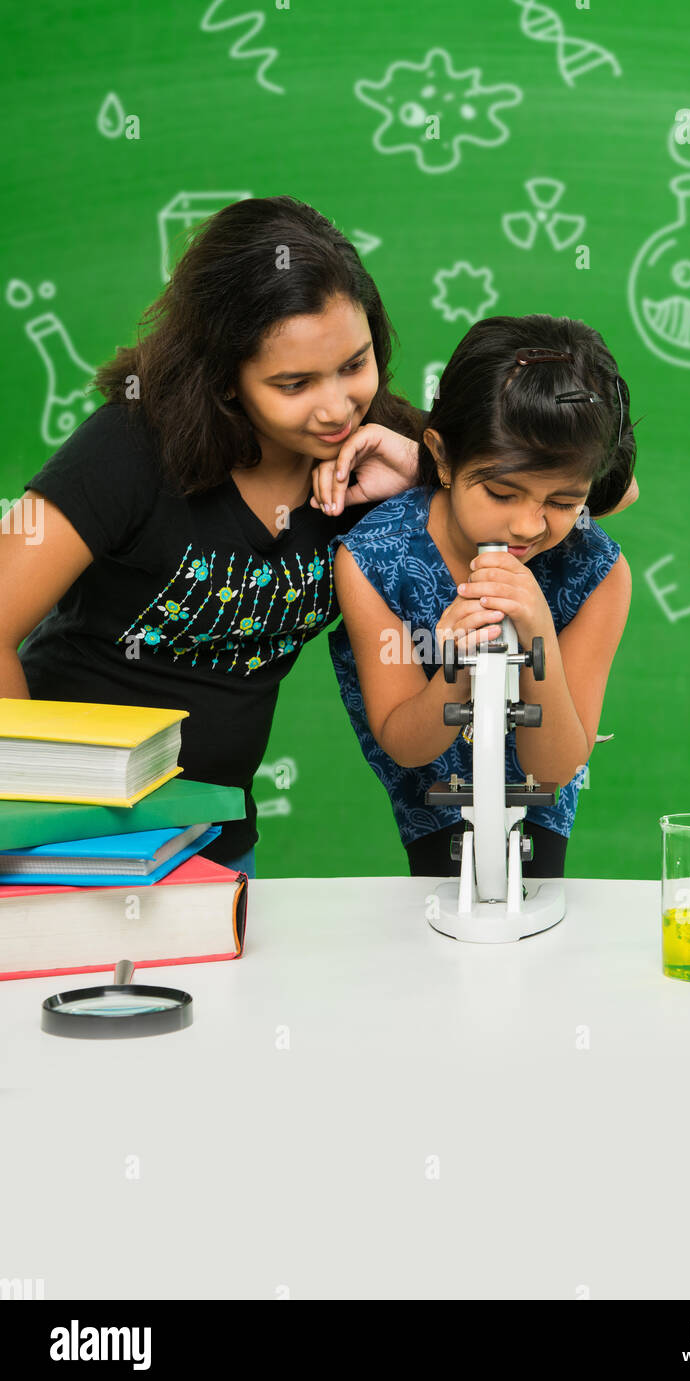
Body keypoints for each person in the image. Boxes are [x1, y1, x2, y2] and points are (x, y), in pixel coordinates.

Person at [0, 196, 430, 876]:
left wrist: (425, 467)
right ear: (224, 379)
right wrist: (27, 818)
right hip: (65, 844)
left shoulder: (375, 445)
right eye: (293, 383)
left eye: (355, 363)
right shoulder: (129, 448)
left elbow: (596, 482)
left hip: (211, 839)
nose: (335, 406)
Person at [326, 315, 638, 879]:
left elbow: (556, 768)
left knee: (534, 902)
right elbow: (404, 743)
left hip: (540, 811)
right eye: (501, 491)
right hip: (431, 802)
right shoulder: (373, 560)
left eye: (564, 502)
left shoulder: (598, 573)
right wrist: (455, 670)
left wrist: (537, 633)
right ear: (442, 458)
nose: (527, 524)